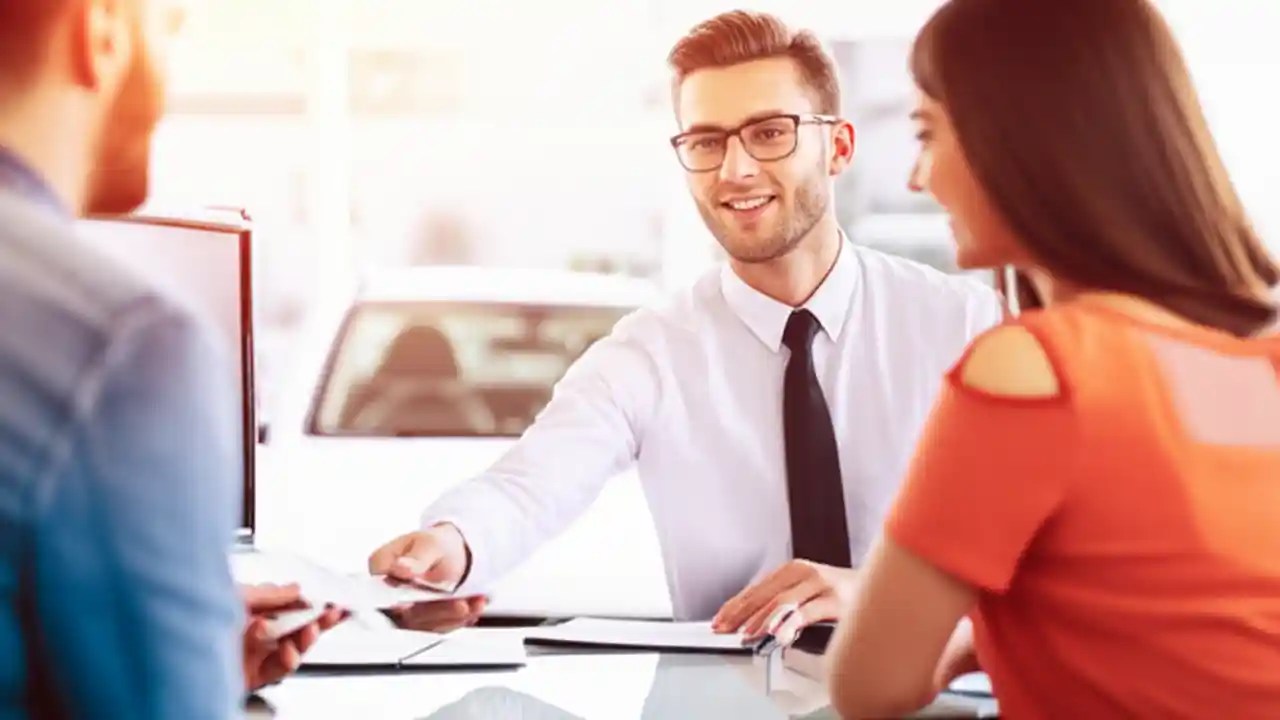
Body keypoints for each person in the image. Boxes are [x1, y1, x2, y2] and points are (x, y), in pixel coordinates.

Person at [369, 10, 1003, 637]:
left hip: (935, 693)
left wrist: (880, 595)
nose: (735, 170)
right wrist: (449, 549)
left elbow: (1039, 550)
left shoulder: (962, 326)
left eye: (769, 132)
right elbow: (529, 486)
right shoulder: (650, 354)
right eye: (707, 142)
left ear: (837, 147)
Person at [825, 0, 1280, 717]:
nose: (918, 178)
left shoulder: (1033, 369)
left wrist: (972, 634)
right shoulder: (1259, 369)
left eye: (927, 134)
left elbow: (868, 685)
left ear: (1020, 140)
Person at [0, 1, 338, 716]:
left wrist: (176, 646)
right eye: (170, 28)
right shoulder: (121, 345)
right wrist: (179, 663)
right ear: (102, 30)